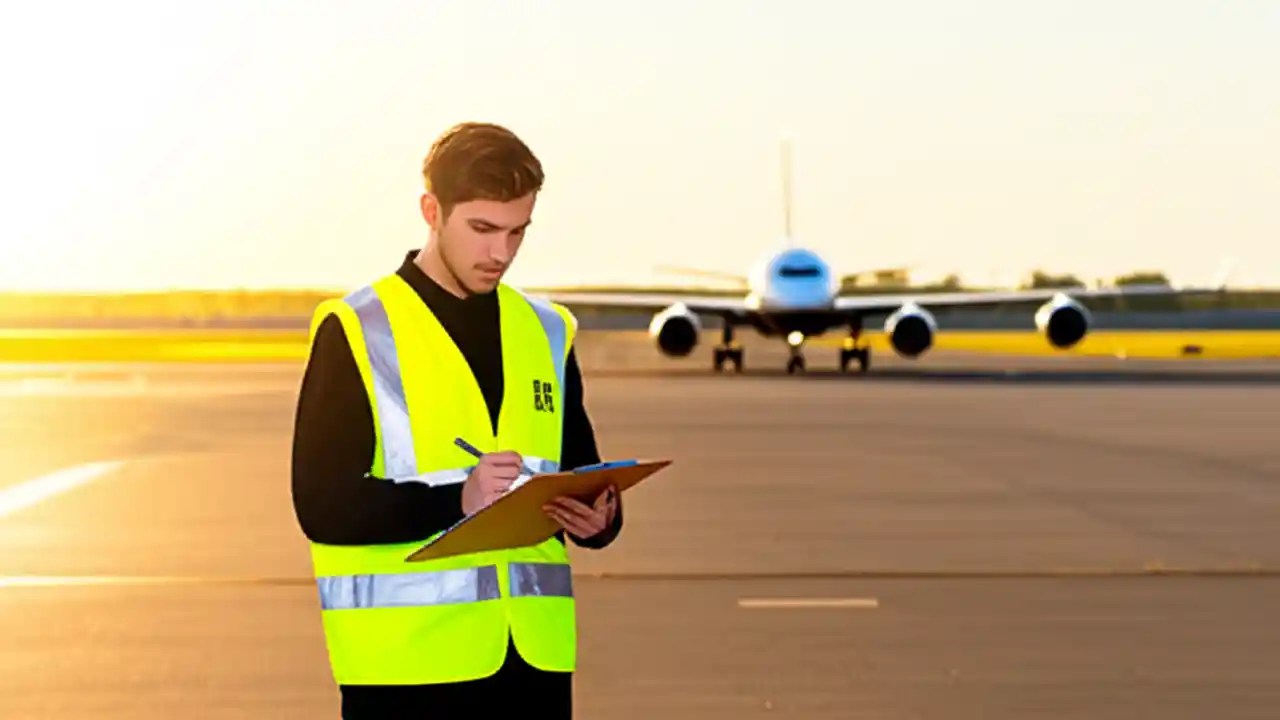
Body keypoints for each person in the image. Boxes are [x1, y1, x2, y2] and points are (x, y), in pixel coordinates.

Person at [290, 121, 622, 719]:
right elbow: (320, 506)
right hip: (409, 670)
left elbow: (580, 468)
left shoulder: (545, 331)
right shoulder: (359, 328)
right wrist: (456, 501)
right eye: (482, 229)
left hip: (535, 665)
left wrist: (600, 518)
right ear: (431, 211)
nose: (501, 252)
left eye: (518, 231)